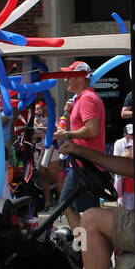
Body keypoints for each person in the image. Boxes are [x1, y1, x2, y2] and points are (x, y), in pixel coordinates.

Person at [52, 140, 135, 269]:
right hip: (83, 164)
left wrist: (77, 146)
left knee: (89, 218)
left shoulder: (88, 106)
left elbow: (92, 129)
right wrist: (82, 151)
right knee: (87, 218)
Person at [53, 61, 106, 228]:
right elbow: (82, 128)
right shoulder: (83, 99)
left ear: (81, 78)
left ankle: (86, 247)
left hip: (86, 165)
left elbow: (92, 130)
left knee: (74, 208)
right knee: (74, 207)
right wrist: (68, 116)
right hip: (83, 164)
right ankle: (85, 246)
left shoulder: (87, 99)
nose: (65, 79)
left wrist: (66, 134)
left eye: (69, 76)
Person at [112, 124, 135, 210]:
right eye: (131, 134)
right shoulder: (119, 143)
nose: (134, 136)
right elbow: (116, 162)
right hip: (125, 180)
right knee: (127, 209)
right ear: (125, 134)